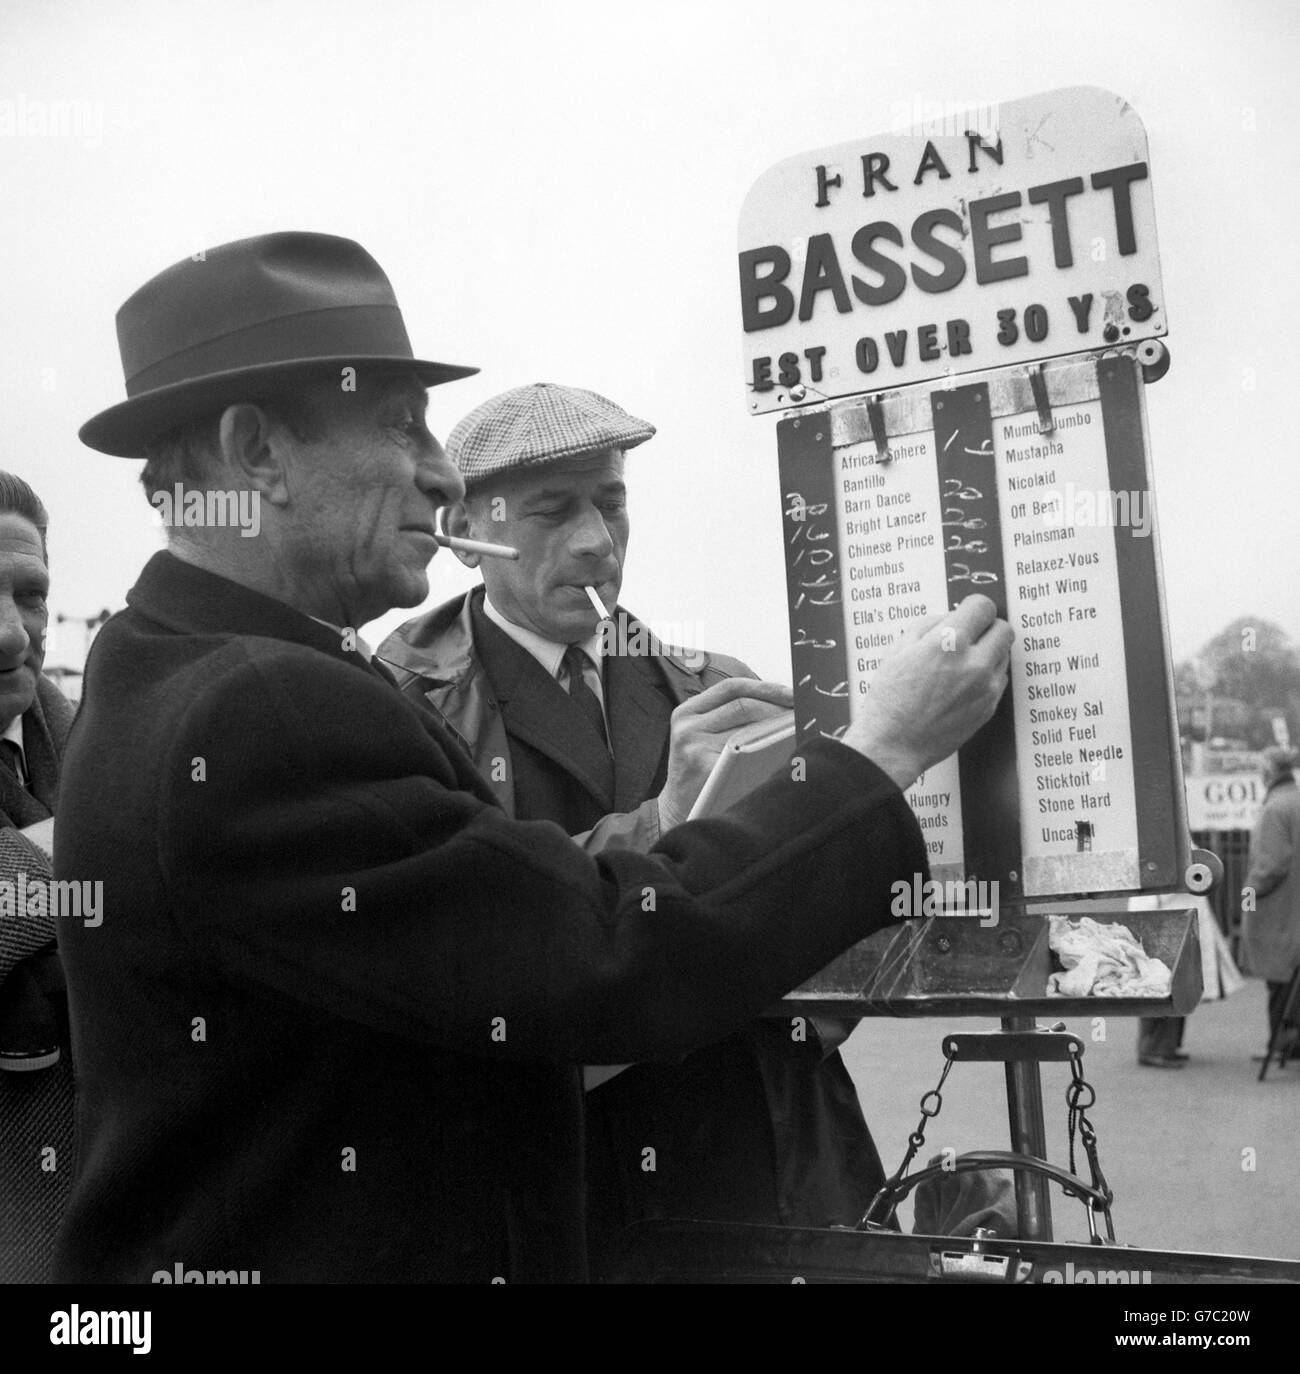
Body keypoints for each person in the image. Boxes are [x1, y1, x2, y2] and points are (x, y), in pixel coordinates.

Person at [55, 231, 1012, 1283]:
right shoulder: (260, 707)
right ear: (255, 454)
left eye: (611, 502)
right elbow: (592, 956)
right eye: (397, 426)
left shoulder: (174, 663)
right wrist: (881, 750)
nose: (434, 470)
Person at [378, 382, 890, 1276]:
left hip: (751, 1159)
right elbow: (481, 922)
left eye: (611, 503)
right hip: (556, 1184)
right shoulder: (397, 704)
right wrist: (667, 819)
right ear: (465, 534)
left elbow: (830, 950)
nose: (595, 542)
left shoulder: (716, 686)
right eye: (552, 511)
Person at [0, 473, 77, 1282]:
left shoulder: (94, 738)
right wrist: (98, 841)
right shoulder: (125, 774)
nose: (12, 635)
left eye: (31, 594)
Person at [1242, 746, 1300, 1057]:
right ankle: (1291, 1045)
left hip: (1278, 913)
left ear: (1267, 773)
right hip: (1295, 910)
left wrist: (1247, 896)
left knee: (1280, 980)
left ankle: (1281, 1045)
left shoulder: (1275, 808)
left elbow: (1270, 865)